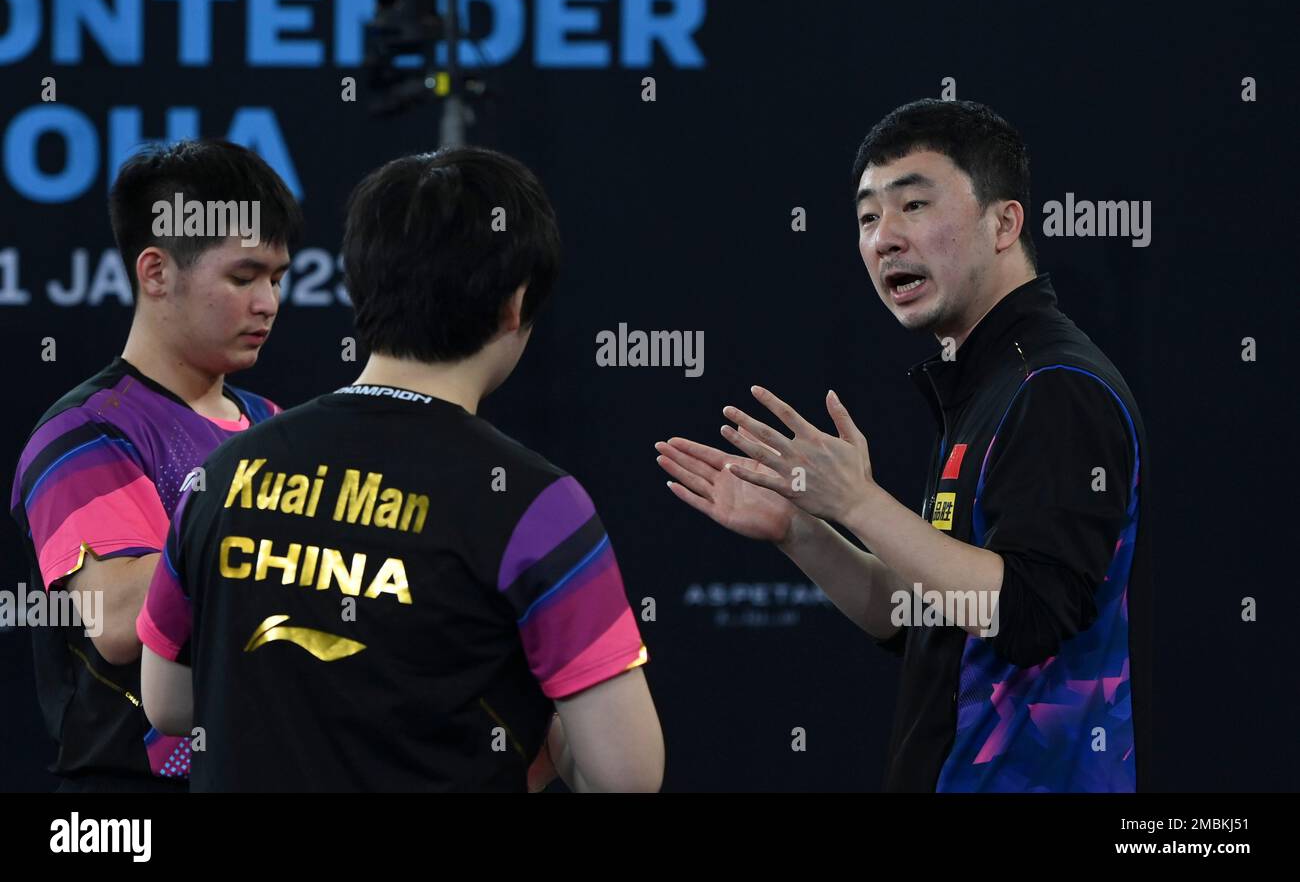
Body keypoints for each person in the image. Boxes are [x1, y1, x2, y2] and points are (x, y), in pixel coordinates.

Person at [657, 99, 1149, 792]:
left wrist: (858, 502)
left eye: (913, 205)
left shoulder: (1054, 386)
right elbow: (920, 614)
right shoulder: (987, 383)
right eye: (866, 217)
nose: (884, 237)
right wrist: (801, 530)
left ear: (1004, 222)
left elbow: (1026, 614)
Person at [137, 146, 663, 792]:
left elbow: (166, 702)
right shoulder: (537, 506)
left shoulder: (221, 473)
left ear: (362, 286)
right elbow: (626, 775)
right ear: (515, 305)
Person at [9, 139, 300, 790]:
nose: (268, 304)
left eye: (277, 279)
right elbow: (115, 620)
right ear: (156, 272)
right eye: (244, 276)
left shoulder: (277, 426)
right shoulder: (84, 432)